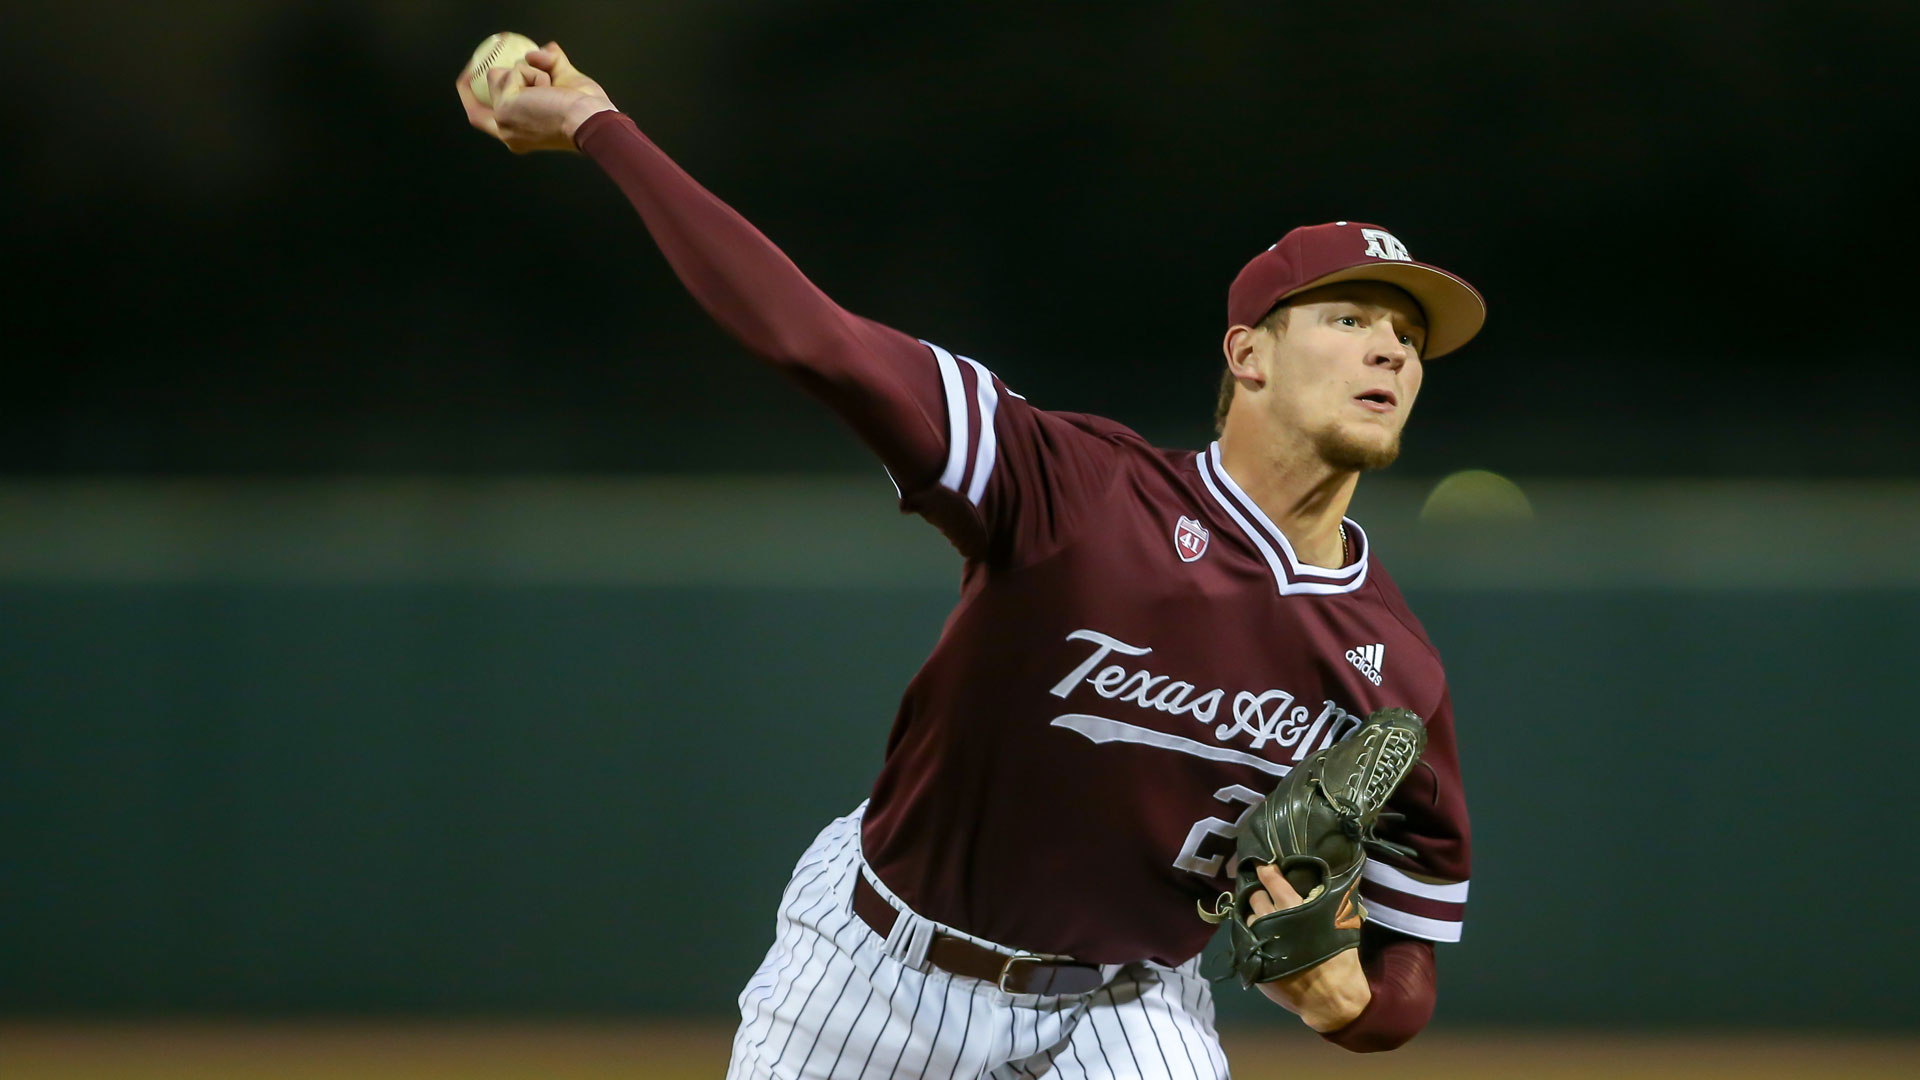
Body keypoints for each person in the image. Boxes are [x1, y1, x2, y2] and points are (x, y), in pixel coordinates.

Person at [459, 41, 1477, 1079]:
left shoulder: (1392, 665)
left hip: (1125, 1008)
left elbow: (1410, 963)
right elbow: (819, 342)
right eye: (1348, 319)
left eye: (1406, 336)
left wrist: (1355, 1005)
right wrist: (600, 125)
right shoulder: (1075, 487)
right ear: (1248, 354)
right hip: (874, 974)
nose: (1390, 349)